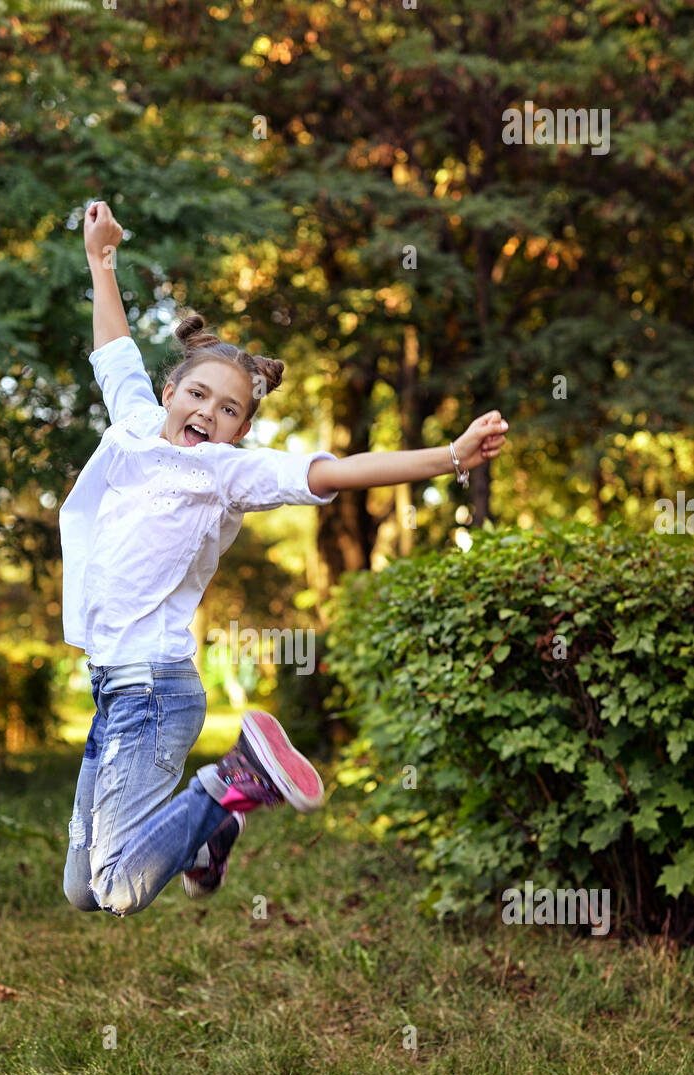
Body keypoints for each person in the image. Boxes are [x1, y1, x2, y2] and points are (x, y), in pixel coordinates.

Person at [60, 200, 508, 916]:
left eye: (230, 409)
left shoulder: (229, 474)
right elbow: (112, 347)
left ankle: (231, 780)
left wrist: (449, 457)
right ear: (169, 392)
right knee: (83, 889)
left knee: (116, 887)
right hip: (113, 691)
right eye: (199, 393)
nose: (209, 412)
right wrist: (100, 259)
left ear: (241, 429)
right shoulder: (136, 425)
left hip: (153, 693)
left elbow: (338, 471)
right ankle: (213, 830)